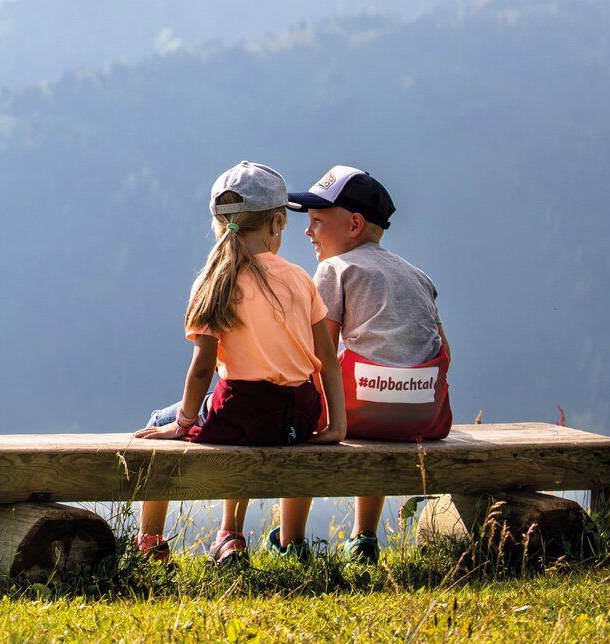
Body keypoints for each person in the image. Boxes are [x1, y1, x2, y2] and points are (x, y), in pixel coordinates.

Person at [133, 161, 345, 564]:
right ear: (277, 223)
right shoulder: (301, 278)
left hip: (240, 415)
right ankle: (230, 532)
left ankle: (149, 544)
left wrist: (183, 423)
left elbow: (201, 368)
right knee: (247, 412)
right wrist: (337, 425)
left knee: (160, 421)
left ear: (219, 225)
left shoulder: (214, 281)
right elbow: (328, 360)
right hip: (298, 416)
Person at [279, 166, 451, 564]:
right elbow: (446, 350)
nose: (308, 232)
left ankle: (290, 543)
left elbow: (320, 352)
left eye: (318, 222)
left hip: (358, 408)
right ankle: (364, 538)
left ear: (354, 224)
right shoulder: (419, 275)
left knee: (302, 412)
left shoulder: (335, 269)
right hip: (423, 413)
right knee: (380, 413)